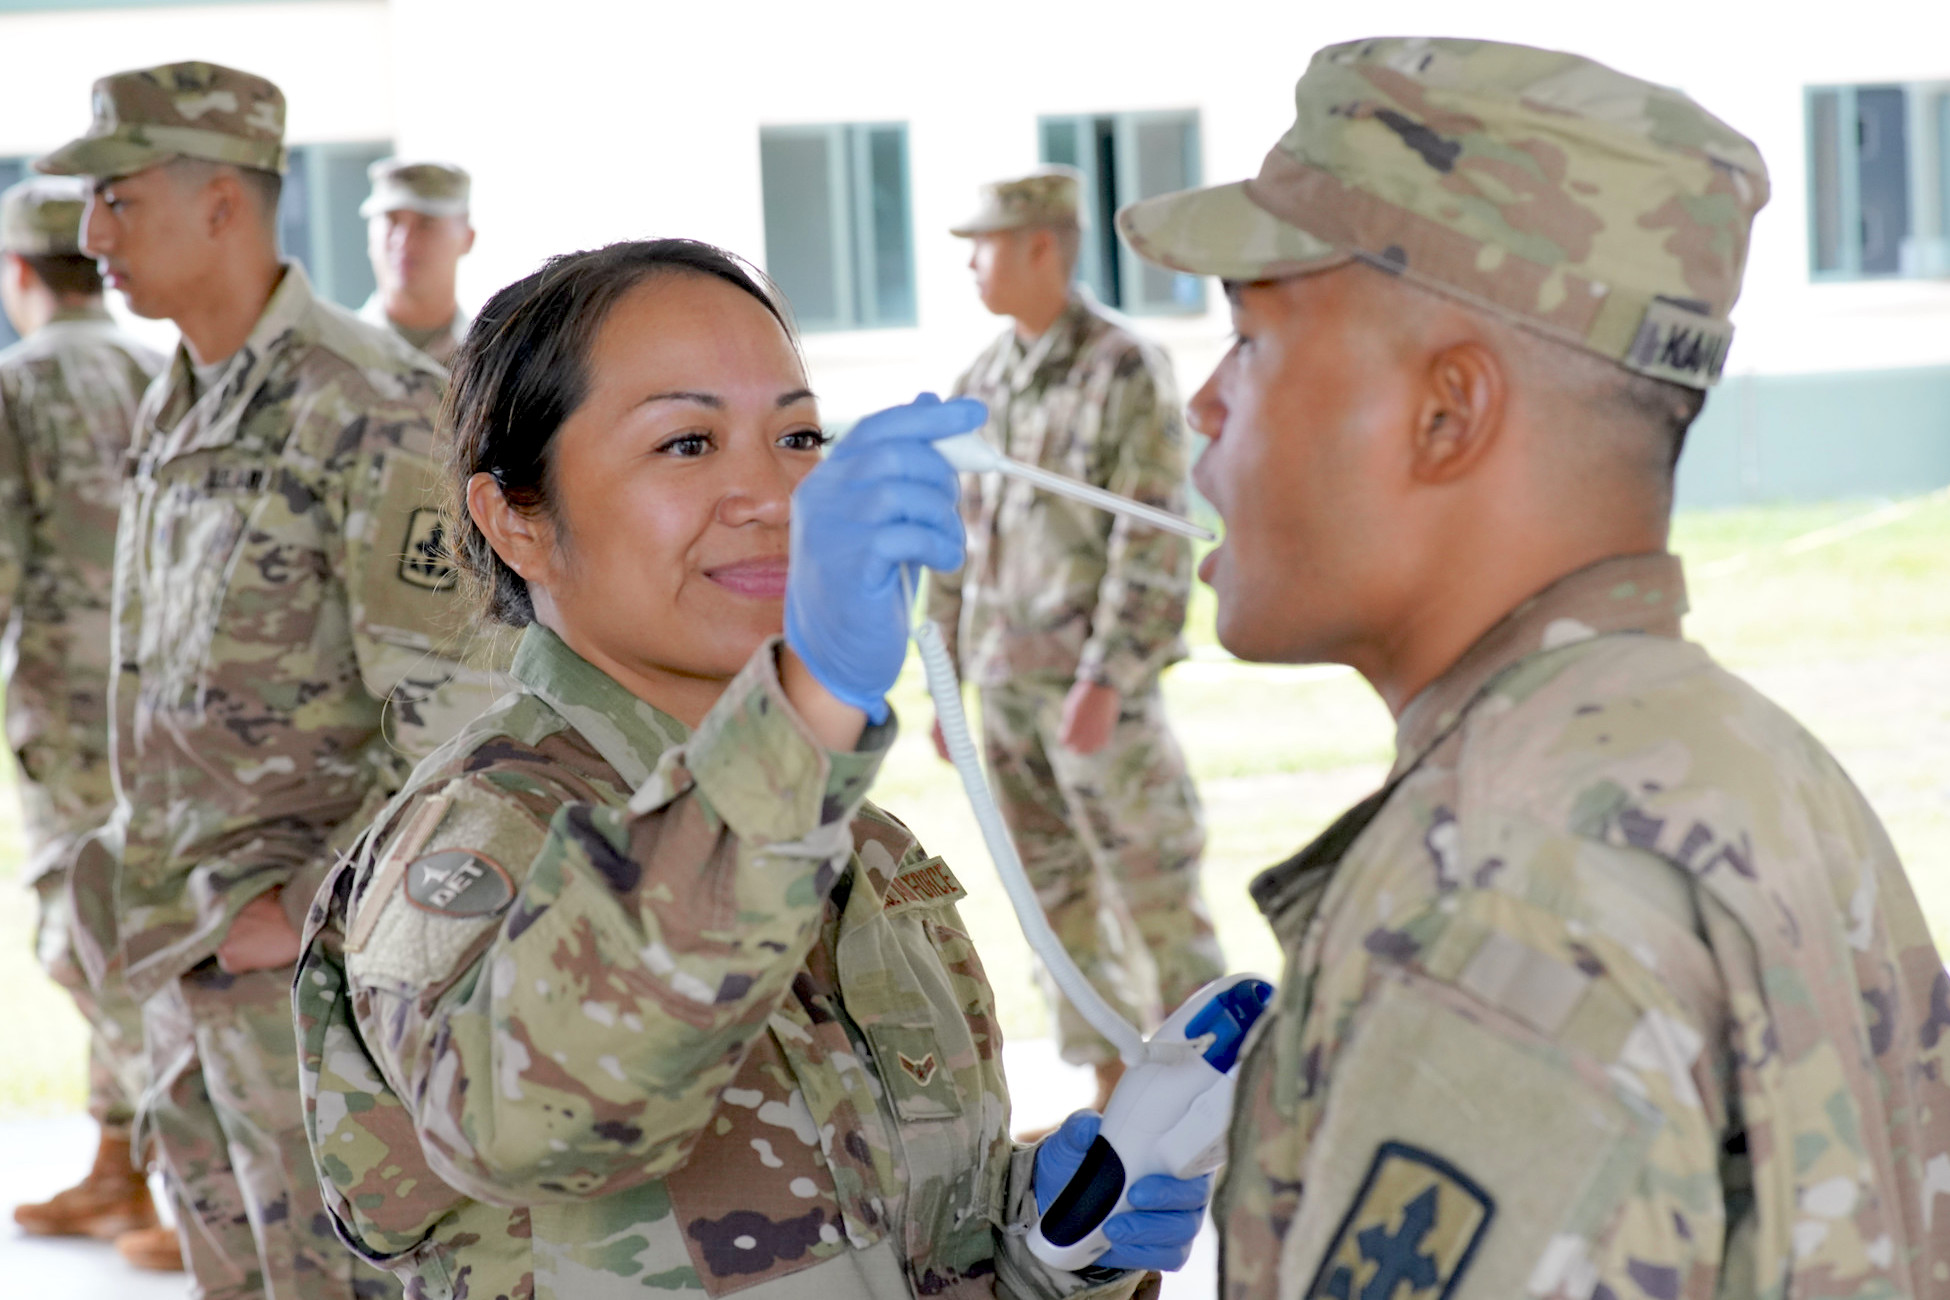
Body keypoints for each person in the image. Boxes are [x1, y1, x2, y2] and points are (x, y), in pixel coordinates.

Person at [1116, 35, 1950, 1299]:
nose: (1206, 407)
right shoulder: (1739, 756)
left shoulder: (1501, 886)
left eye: (1253, 339)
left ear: (1448, 412)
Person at [296, 238, 1211, 1299]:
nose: (773, 494)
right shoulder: (478, 831)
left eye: (799, 434)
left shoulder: (849, 832)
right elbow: (530, 1121)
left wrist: (1051, 1238)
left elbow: (881, 1230)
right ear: (516, 520)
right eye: (687, 443)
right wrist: (809, 702)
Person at [36, 60, 501, 1299]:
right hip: (184, 967)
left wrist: (303, 915)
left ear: (224, 206)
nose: (93, 237)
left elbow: (458, 722)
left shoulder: (367, 404)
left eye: (120, 200)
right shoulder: (176, 401)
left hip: (300, 985)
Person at [928, 168, 1221, 1111]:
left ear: (1044, 247)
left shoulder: (1122, 368)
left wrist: (1110, 675)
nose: (972, 264)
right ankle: (1112, 1093)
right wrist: (945, 682)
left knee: (1152, 887)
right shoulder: (980, 383)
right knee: (1051, 901)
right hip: (1005, 694)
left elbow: (1150, 529)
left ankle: (1217, 1096)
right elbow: (952, 543)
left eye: (986, 245)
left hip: (1096, 694)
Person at [0, 176, 174, 1264]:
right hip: (171, 709)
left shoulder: (18, 384)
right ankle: (122, 1166)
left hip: (68, 711)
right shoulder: (162, 372)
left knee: (90, 931)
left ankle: (169, 1177)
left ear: (18, 274)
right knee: (148, 916)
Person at [358, 159, 473, 366]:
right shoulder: (337, 352)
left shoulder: (487, 357)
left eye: (426, 223)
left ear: (467, 239)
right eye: (391, 220)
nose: (404, 242)